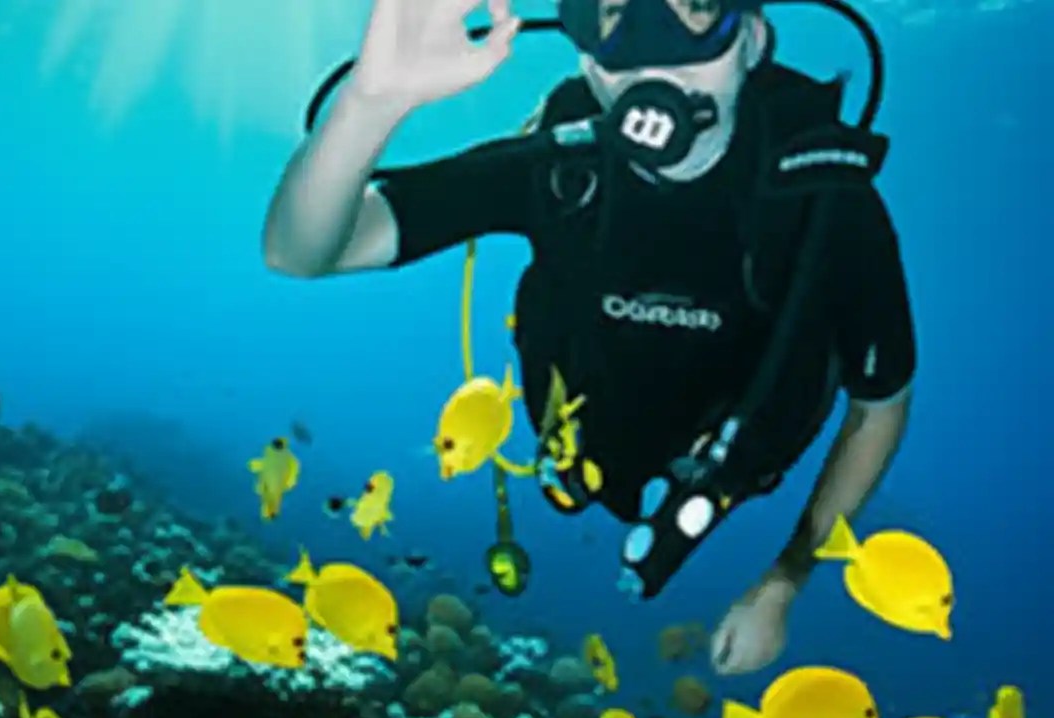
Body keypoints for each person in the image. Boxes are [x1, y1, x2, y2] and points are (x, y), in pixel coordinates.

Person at [261, 0, 915, 676]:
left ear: (751, 40)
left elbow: (880, 405)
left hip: (734, 463)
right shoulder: (560, 163)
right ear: (589, 63)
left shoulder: (829, 202)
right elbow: (298, 251)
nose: (654, 52)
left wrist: (785, 580)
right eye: (613, 12)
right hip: (581, 441)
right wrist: (373, 103)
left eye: (693, 9)